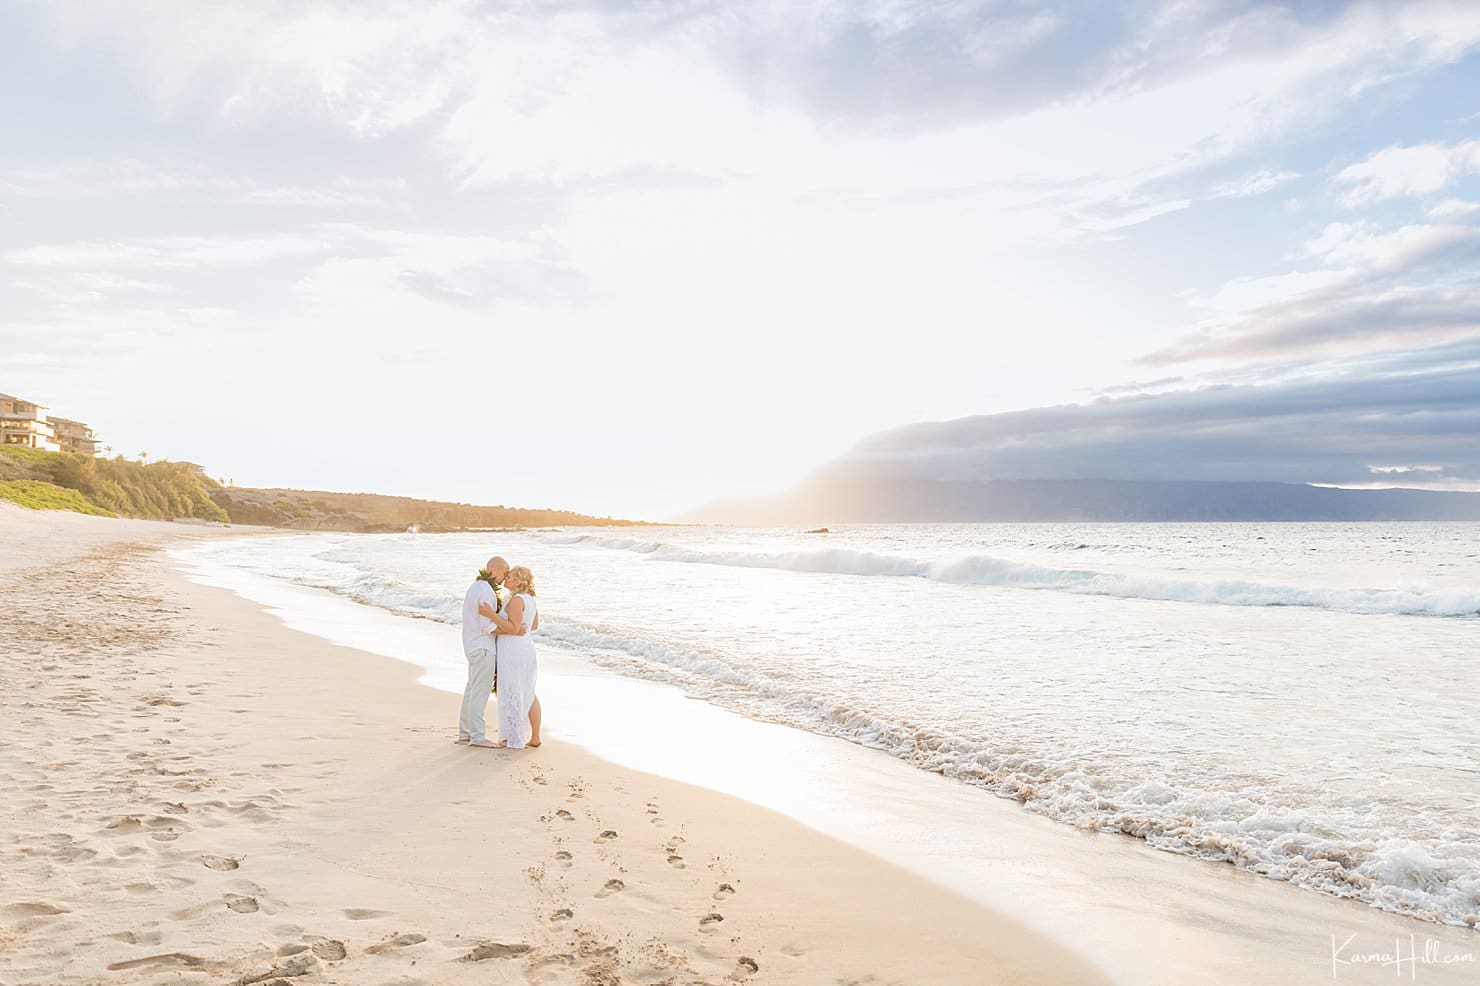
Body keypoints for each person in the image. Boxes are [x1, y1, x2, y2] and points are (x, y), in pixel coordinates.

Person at [456, 555, 514, 748]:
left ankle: (465, 733)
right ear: (494, 570)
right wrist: (510, 630)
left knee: (472, 690)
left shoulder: (476, 587)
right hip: (482, 647)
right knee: (479, 693)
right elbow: (487, 625)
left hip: (472, 645)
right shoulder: (486, 591)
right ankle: (477, 737)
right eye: (504, 573)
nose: (505, 578)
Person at [481, 565, 541, 749]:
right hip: (525, 648)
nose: (506, 579)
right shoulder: (529, 599)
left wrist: (492, 615)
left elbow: (513, 628)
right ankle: (535, 737)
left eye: (510, 577)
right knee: (527, 691)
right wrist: (516, 628)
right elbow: (534, 625)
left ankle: (514, 739)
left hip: (513, 651)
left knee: (512, 690)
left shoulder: (516, 600)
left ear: (517, 581)